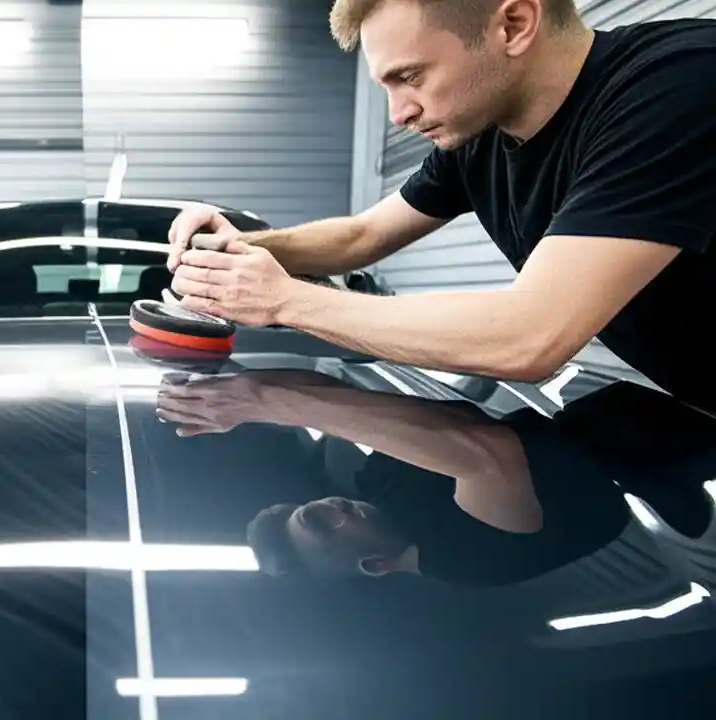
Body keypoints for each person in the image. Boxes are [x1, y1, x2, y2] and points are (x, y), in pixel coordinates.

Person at [166, 1, 716, 413]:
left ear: (514, 24)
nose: (399, 114)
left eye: (410, 76)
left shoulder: (680, 84)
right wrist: (240, 245)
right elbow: (363, 236)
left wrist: (284, 302)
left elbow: (530, 335)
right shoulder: (480, 134)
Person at [156, 369, 716, 585]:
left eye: (316, 507)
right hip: (684, 458)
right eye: (325, 524)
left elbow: (347, 398)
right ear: (373, 565)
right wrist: (269, 404)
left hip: (634, 402)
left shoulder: (381, 490)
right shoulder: (463, 560)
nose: (335, 504)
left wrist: (231, 385)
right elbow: (485, 451)